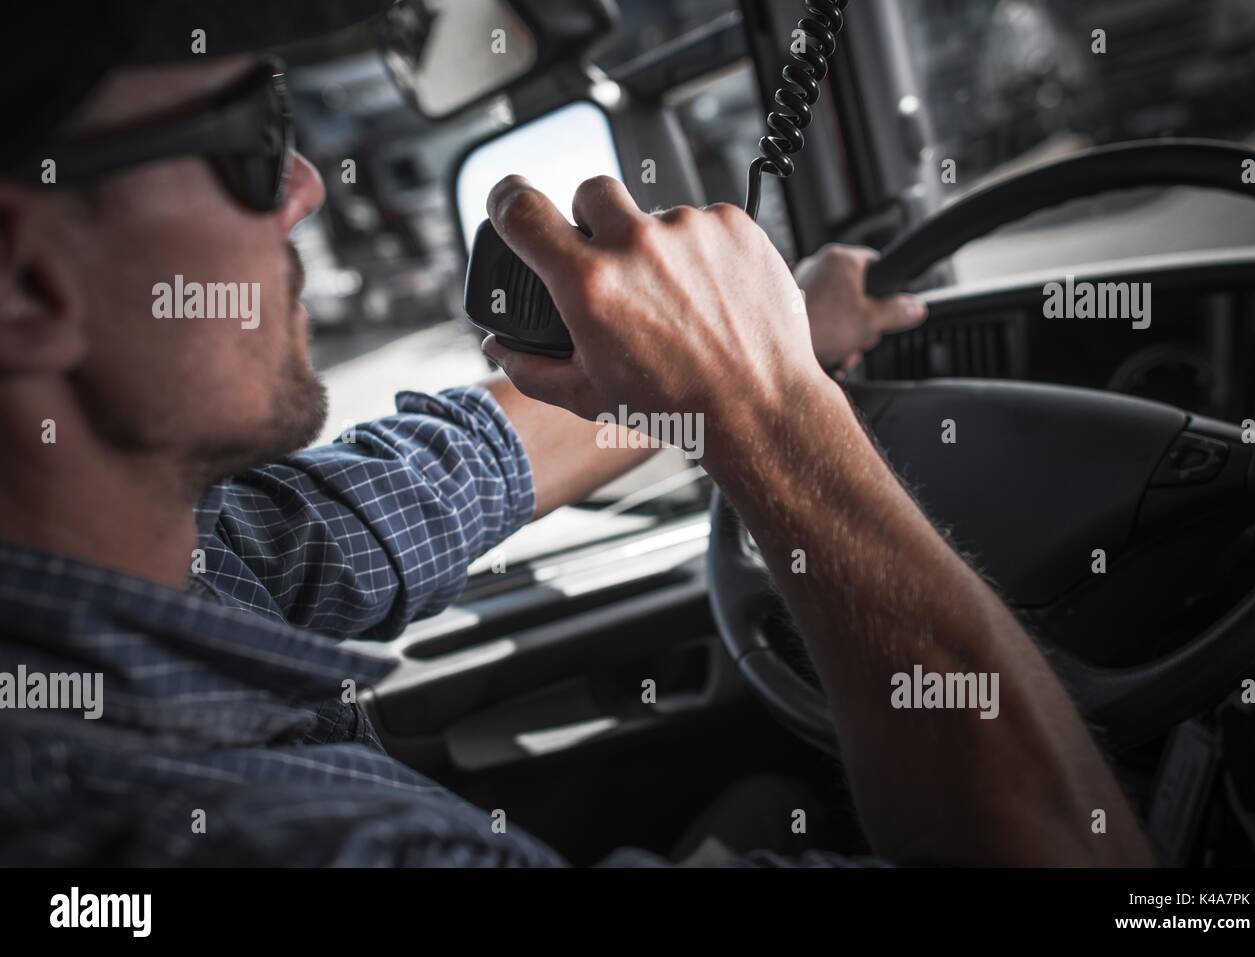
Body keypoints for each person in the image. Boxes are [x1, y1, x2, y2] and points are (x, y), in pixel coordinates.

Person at [0, 0, 1152, 866]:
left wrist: (763, 341)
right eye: (253, 136)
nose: (305, 190)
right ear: (25, 279)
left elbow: (431, 482)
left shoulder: (157, 572)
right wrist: (773, 412)